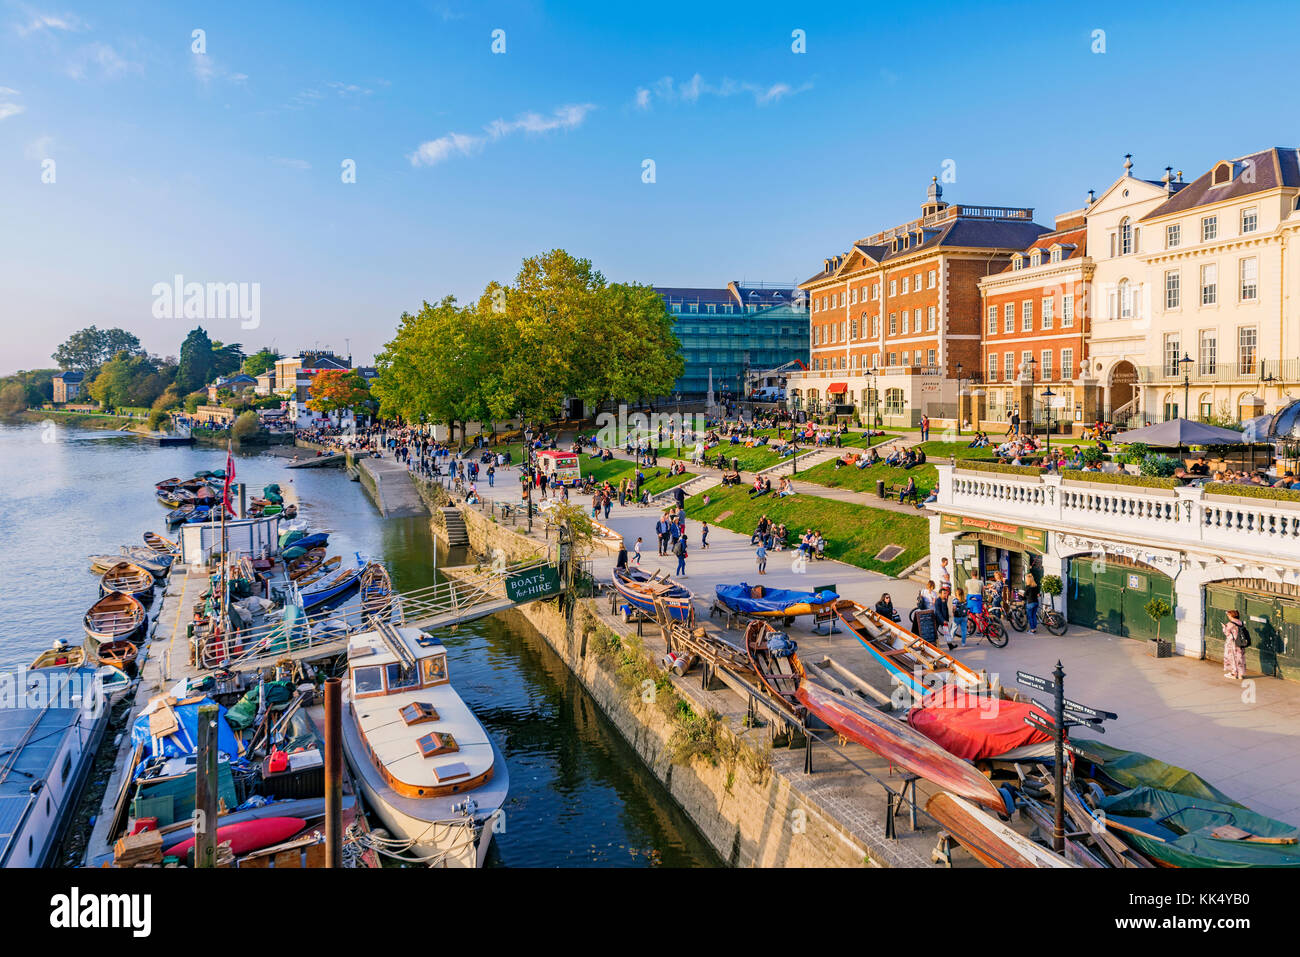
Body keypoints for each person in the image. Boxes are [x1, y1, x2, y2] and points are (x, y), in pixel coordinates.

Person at [1222, 609, 1248, 680]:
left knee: (1232, 658)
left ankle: (1234, 673)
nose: (1228, 616)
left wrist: (1224, 627)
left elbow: (1226, 633)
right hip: (1240, 643)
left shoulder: (1230, 624)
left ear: (1231, 615)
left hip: (1232, 643)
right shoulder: (1240, 622)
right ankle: (1240, 674)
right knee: (1240, 658)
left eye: (1229, 615)